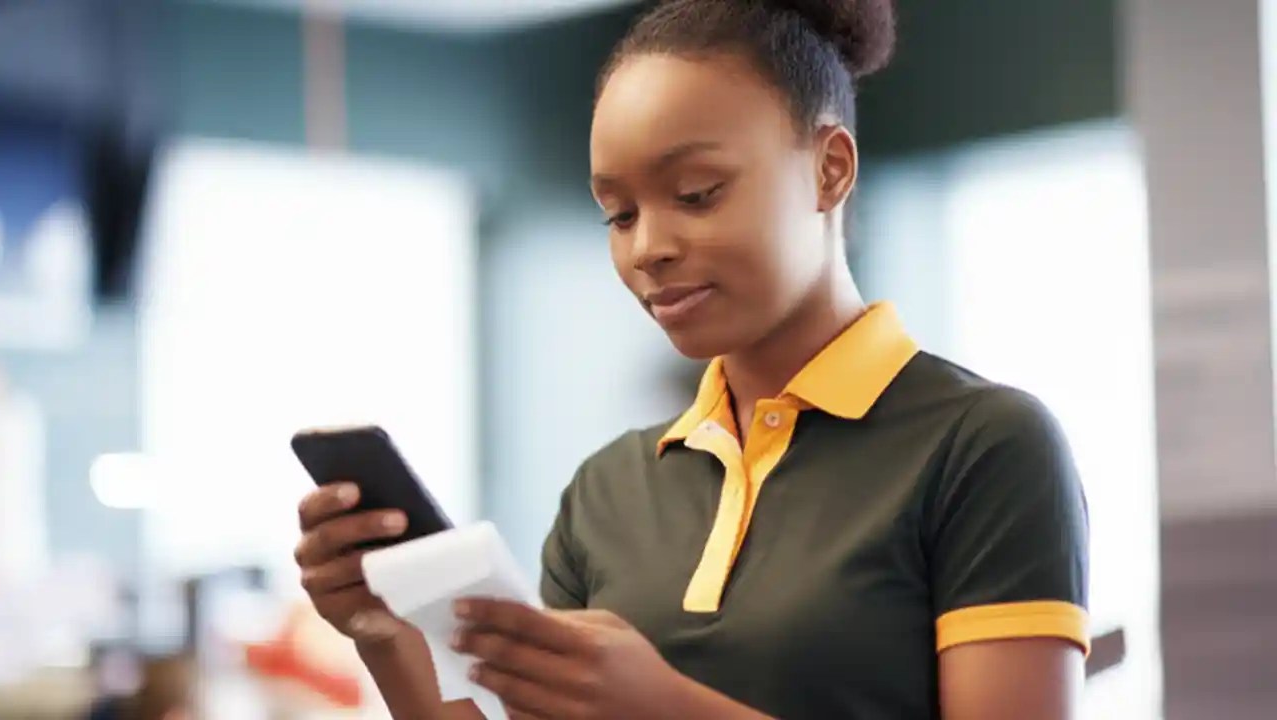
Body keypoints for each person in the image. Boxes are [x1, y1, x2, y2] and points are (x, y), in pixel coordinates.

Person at [292, 1, 1090, 718]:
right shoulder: (606, 492)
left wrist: (664, 707)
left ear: (830, 169)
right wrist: (387, 632)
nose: (649, 249)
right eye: (619, 213)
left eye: (698, 193)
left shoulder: (982, 447)